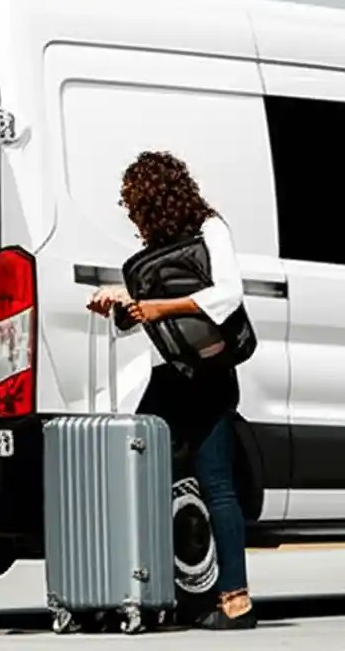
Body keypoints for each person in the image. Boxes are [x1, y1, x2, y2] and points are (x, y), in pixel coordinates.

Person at [86, 150, 256, 631]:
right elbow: (148, 324)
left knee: (217, 485)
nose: (134, 217)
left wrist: (159, 307)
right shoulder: (153, 254)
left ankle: (236, 603)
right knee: (142, 480)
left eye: (135, 205)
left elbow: (228, 294)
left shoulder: (210, 228)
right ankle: (144, 593)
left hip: (207, 375)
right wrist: (123, 311)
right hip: (167, 377)